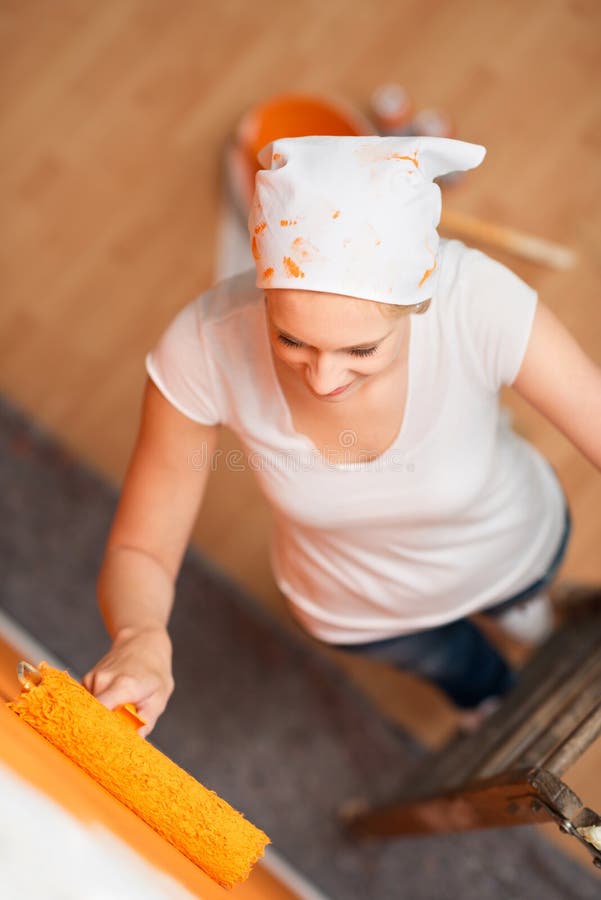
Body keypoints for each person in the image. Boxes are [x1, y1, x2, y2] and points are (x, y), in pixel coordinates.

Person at [83, 135, 601, 737]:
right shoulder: (203, 346)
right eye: (291, 341)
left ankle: (531, 622)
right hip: (361, 612)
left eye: (361, 350)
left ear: (420, 303)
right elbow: (142, 548)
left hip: (509, 550)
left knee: (533, 620)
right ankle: (484, 691)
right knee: (461, 672)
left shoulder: (476, 300)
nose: (324, 379)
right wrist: (140, 634)